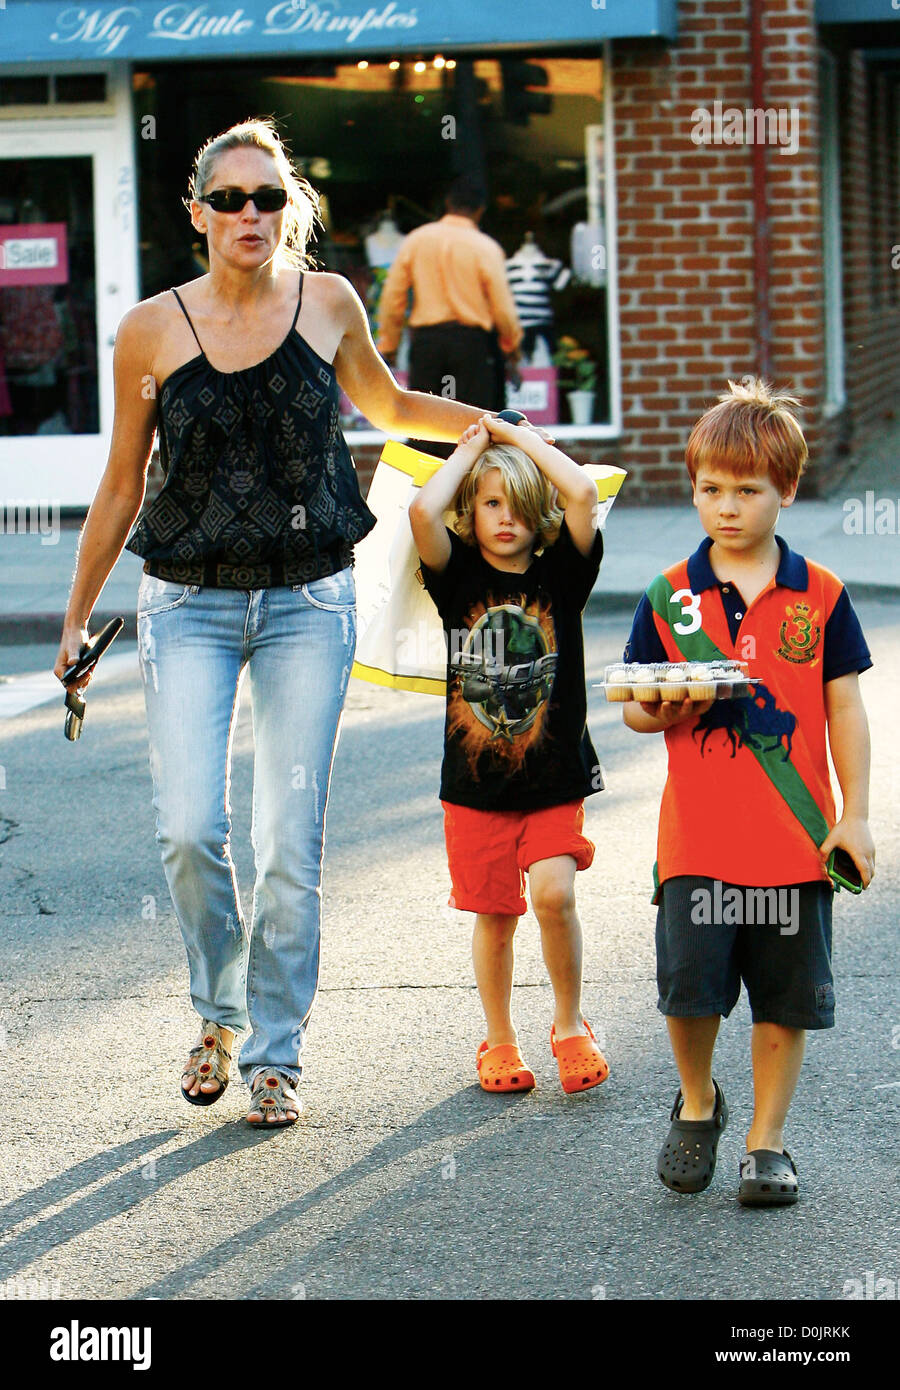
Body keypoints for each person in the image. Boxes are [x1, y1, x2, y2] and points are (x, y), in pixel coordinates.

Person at [53, 118, 521, 1128]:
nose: (250, 214)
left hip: (310, 600)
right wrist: (76, 618)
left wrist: (493, 429)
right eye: (229, 199)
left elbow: (389, 404)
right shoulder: (151, 328)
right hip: (187, 602)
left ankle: (273, 1053)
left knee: (287, 841)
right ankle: (216, 1013)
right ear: (198, 216)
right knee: (190, 830)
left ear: (290, 209)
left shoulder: (330, 303)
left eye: (268, 198)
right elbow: (120, 484)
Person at [621, 377, 875, 1204]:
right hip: (697, 840)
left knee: (784, 1000)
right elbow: (636, 710)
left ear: (787, 491)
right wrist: (658, 709)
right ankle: (699, 1101)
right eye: (709, 489)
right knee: (688, 990)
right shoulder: (669, 595)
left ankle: (767, 1142)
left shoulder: (824, 595)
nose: (725, 507)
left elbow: (846, 708)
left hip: (794, 848)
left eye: (747, 490)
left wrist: (857, 817)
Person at [409, 411, 609, 1095]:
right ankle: (498, 1039)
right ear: (472, 509)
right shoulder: (456, 577)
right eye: (492, 504)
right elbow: (420, 509)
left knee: (554, 895)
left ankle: (570, 1023)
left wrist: (527, 442)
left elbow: (580, 494)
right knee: (495, 920)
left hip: (553, 779)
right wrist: (474, 448)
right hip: (475, 788)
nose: (505, 519)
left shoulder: (565, 577)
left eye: (519, 506)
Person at [376, 174, 523, 457]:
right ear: (480, 209)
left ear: (447, 203)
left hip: (427, 345)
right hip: (472, 346)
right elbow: (502, 308)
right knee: (478, 429)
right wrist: (510, 349)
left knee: (423, 427)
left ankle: (425, 495)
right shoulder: (485, 247)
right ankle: (470, 496)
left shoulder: (416, 241)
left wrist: (389, 345)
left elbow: (393, 297)